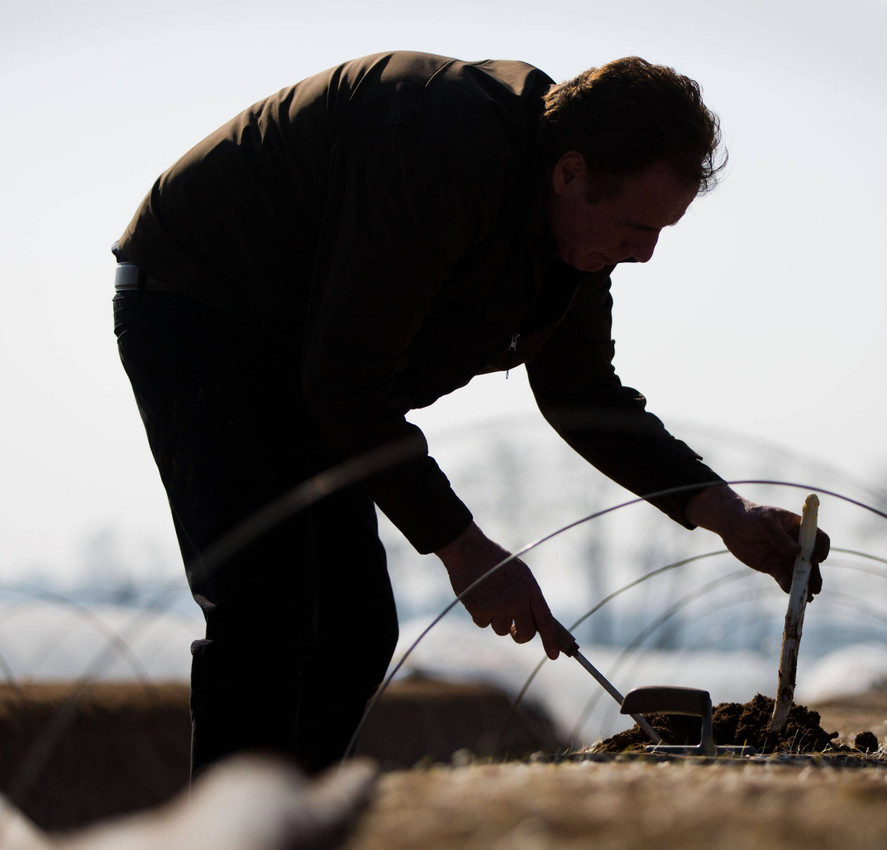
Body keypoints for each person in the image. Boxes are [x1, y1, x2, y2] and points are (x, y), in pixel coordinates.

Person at [112, 51, 830, 775]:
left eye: (660, 233)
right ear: (570, 172)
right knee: (268, 611)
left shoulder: (578, 242)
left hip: (313, 359)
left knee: (355, 631)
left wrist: (723, 511)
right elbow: (345, 386)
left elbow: (583, 397)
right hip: (204, 309)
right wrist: (465, 549)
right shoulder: (439, 153)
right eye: (635, 226)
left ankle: (294, 822)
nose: (642, 255)